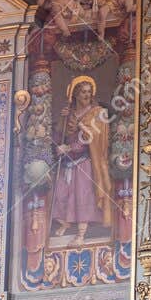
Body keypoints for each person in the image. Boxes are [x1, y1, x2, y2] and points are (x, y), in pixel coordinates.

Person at [50, 75, 114, 241]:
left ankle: (80, 234)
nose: (87, 95)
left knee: (82, 196)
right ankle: (64, 223)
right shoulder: (69, 114)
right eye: (83, 92)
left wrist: (71, 146)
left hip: (86, 162)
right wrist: (62, 121)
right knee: (60, 193)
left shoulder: (98, 113)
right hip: (68, 162)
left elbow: (94, 138)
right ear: (75, 94)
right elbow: (58, 137)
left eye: (89, 92)